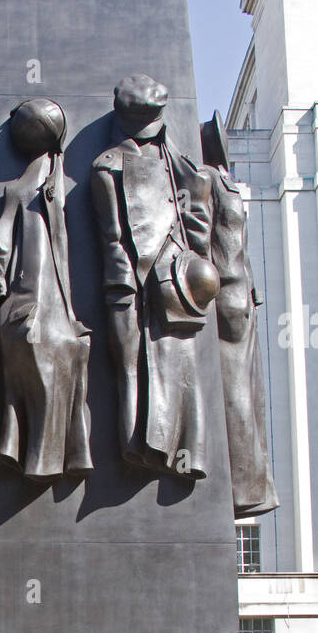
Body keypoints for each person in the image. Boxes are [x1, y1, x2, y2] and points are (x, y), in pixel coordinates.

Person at [91, 75, 220, 479]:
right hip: (131, 284)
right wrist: (125, 284)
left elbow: (197, 220)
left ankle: (187, 452)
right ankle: (139, 446)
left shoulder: (178, 164)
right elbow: (111, 233)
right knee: (131, 364)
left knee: (182, 366)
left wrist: (189, 264)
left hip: (173, 283)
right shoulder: (107, 166)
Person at [0, 98, 92, 481]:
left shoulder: (25, 190)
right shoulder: (33, 190)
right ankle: (42, 462)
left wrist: (0, 293)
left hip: (30, 314)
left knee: (47, 376)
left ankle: (35, 455)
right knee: (48, 379)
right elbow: (0, 245)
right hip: (36, 316)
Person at [201, 111, 278, 517]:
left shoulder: (208, 180)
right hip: (240, 296)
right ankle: (248, 485)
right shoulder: (226, 183)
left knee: (237, 393)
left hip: (229, 297)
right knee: (244, 394)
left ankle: (243, 486)